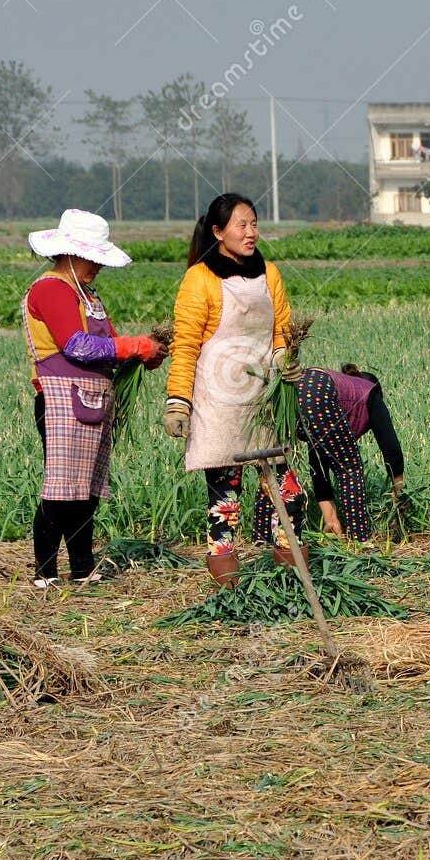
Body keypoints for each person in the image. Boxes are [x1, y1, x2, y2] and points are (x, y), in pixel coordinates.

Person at [22, 210, 166, 590]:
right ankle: (46, 573)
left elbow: (108, 347)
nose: (98, 267)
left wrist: (140, 357)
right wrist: (133, 345)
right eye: (94, 259)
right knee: (61, 490)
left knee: (86, 490)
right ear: (71, 253)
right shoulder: (50, 289)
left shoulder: (87, 294)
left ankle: (83, 567)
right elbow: (78, 346)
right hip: (61, 400)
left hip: (92, 399)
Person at [162, 193, 302, 587]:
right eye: (241, 225)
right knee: (226, 498)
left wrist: (284, 359)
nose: (251, 232)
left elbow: (281, 331)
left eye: (254, 223)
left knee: (288, 492)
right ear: (219, 231)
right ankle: (229, 586)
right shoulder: (199, 278)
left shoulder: (268, 273)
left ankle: (292, 574)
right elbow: (186, 344)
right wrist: (178, 403)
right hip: (218, 399)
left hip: (263, 398)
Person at [298, 363, 406, 541]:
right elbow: (391, 448)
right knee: (350, 468)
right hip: (317, 385)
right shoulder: (370, 392)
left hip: (297, 385)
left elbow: (318, 465)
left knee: (308, 458)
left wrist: (330, 517)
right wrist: (399, 494)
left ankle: (331, 524)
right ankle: (359, 540)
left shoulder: (339, 394)